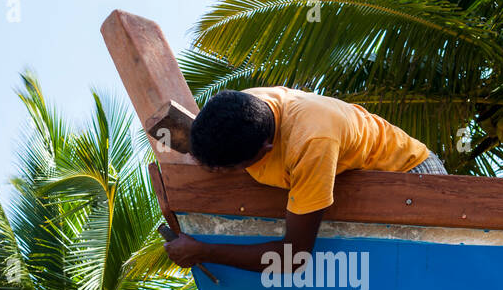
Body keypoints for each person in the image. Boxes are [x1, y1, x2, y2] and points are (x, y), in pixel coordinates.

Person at [161, 86, 447, 275]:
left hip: (411, 177)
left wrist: (204, 251)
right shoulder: (241, 108)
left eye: (229, 169)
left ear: (265, 151)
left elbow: (295, 256)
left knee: (433, 272)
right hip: (356, 175)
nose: (221, 174)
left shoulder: (311, 144)